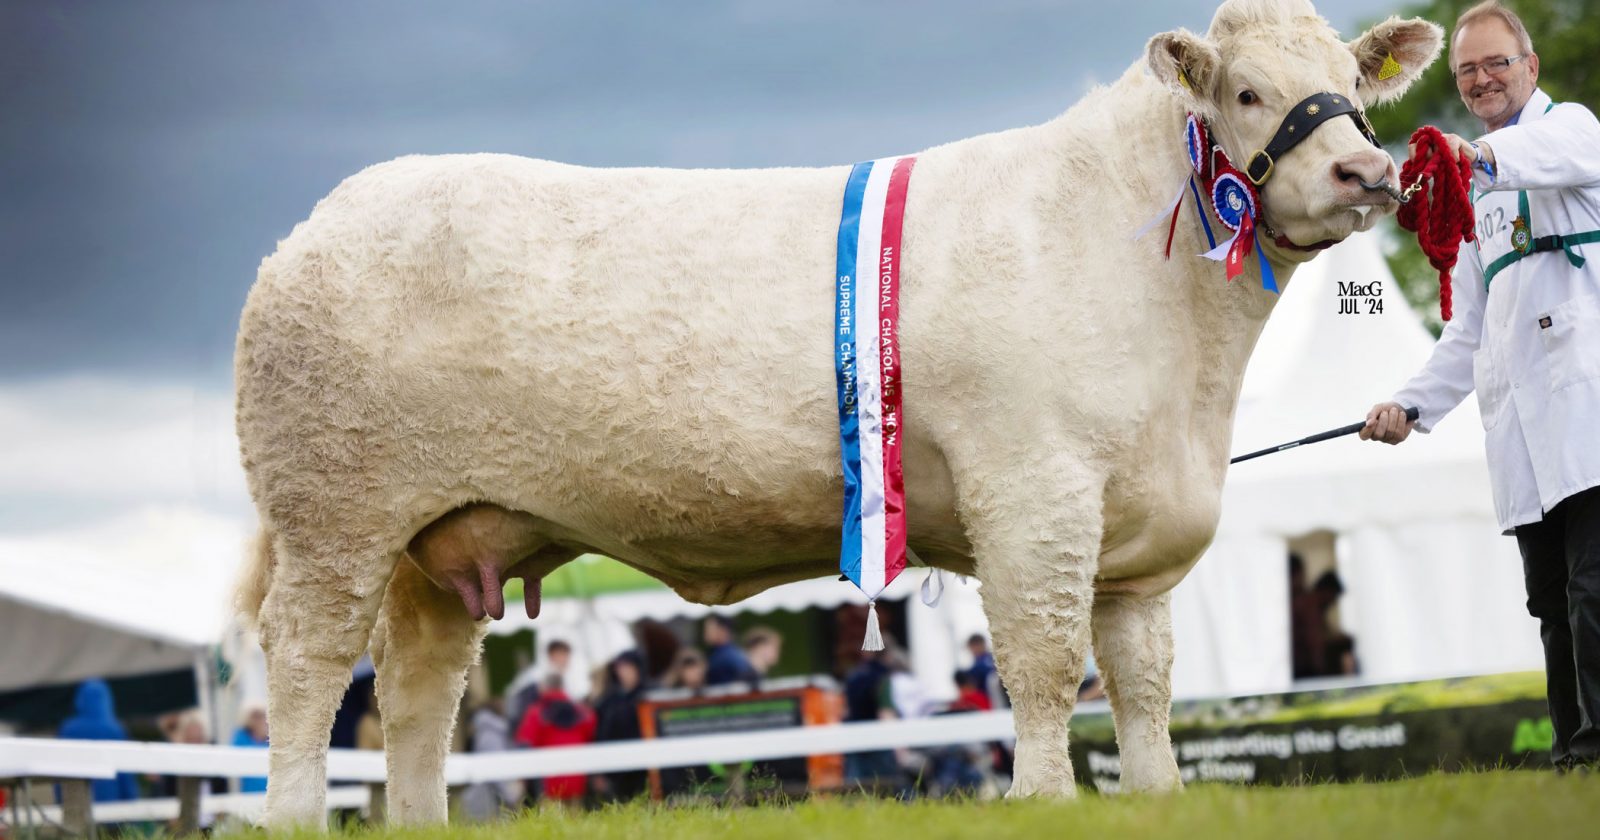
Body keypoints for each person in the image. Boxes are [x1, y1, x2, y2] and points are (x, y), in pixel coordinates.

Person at [1362, 1, 1600, 771]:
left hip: (1588, 410)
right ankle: (1573, 750)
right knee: (1553, 604)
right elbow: (1465, 329)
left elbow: (1550, 151)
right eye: (1467, 69)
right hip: (1524, 430)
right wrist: (1410, 405)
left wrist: (1478, 160)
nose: (1482, 78)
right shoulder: (1474, 194)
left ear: (1530, 66)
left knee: (1595, 591)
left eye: (1497, 62)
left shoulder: (1572, 131)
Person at [514, 675, 595, 807]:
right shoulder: (582, 712)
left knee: (552, 825)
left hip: (549, 785)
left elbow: (525, 743)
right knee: (578, 822)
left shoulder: (536, 713)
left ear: (544, 688)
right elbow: (591, 735)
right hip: (577, 781)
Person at [56, 680, 140, 802]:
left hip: (75, 799)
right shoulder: (115, 729)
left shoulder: (68, 729)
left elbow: (60, 768)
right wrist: (132, 799)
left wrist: (60, 798)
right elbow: (125, 774)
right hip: (111, 799)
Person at [592, 651, 649, 802]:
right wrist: (599, 770)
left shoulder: (649, 697)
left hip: (646, 769)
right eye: (621, 668)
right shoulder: (609, 701)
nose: (624, 672)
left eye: (628, 667)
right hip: (616, 771)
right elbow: (600, 735)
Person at [461, 698, 521, 821]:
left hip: (491, 794)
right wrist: (510, 796)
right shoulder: (491, 735)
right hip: (491, 798)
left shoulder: (488, 732)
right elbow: (496, 769)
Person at [703, 614, 758, 686]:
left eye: (709, 629)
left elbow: (748, 675)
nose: (705, 633)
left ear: (722, 630)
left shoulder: (729, 655)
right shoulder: (719, 653)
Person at [232, 705, 270, 793]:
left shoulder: (271, 736)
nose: (260, 720)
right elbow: (236, 756)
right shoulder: (241, 735)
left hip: (270, 789)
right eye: (255, 717)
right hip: (250, 789)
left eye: (262, 716)